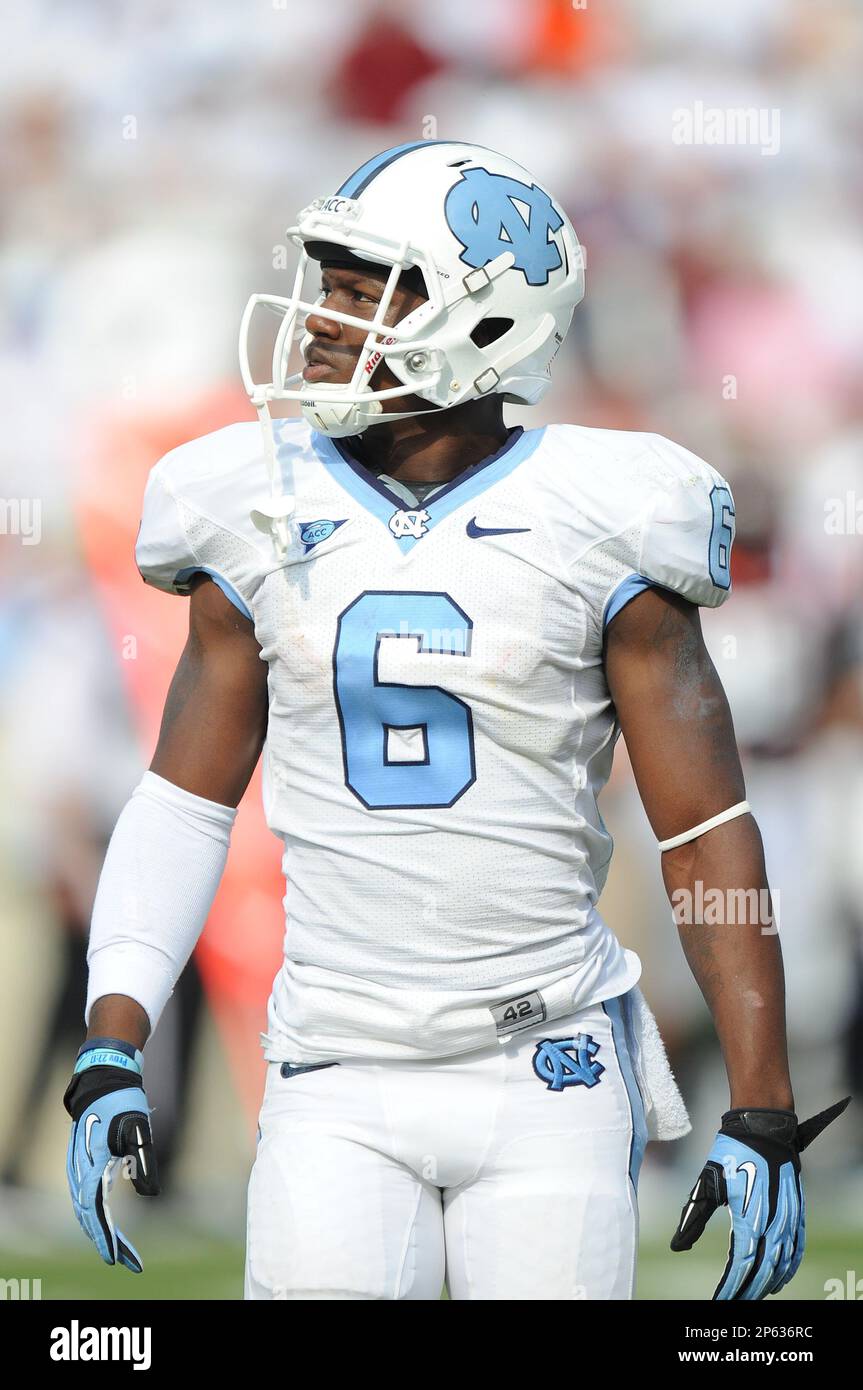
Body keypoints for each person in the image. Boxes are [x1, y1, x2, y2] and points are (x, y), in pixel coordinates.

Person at [63, 140, 848, 1301]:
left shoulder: (609, 514)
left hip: (549, 1067)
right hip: (333, 1060)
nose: (322, 317)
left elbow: (702, 829)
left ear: (486, 320)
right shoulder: (251, 502)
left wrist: (762, 1103)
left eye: (364, 287)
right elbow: (185, 803)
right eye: (326, 281)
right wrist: (111, 1034)